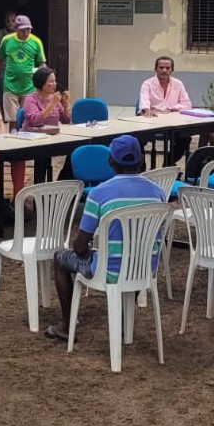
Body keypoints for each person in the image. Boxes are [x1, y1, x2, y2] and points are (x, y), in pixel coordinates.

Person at [45, 135, 167, 341]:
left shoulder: (99, 194)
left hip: (110, 271)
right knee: (130, 255)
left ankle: (66, 326)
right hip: (145, 268)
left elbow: (81, 247)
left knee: (59, 258)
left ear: (110, 161)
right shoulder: (158, 193)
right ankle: (122, 320)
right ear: (141, 160)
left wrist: (93, 245)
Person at [0, 14, 46, 127]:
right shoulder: (7, 40)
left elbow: (42, 63)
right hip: (10, 86)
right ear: (16, 29)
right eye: (23, 30)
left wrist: (43, 77)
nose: (26, 33)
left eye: (28, 29)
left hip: (29, 86)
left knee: (27, 118)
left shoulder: (36, 42)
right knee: (12, 119)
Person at [139, 55, 193, 165]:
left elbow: (187, 104)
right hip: (152, 121)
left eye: (167, 68)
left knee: (185, 137)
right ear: (155, 69)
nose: (164, 70)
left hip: (172, 122)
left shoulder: (178, 84)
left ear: (172, 70)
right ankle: (141, 169)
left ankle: (168, 164)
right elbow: (144, 102)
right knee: (136, 138)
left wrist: (172, 109)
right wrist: (147, 109)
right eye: (161, 67)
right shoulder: (147, 84)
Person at [0, 11, 17, 114]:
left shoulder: (21, 34)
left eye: (13, 20)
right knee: (4, 91)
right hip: (4, 66)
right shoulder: (0, 34)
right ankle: (4, 114)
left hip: (18, 68)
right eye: (8, 21)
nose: (10, 23)